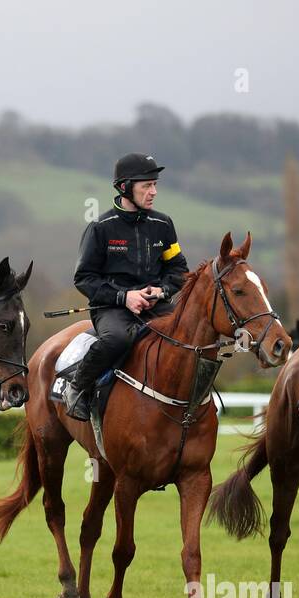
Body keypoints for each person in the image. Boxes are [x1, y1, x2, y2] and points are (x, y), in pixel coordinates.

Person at [61, 152, 189, 421]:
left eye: (155, 184)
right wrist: (124, 297)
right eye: (147, 186)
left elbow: (178, 269)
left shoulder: (164, 225)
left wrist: (162, 291)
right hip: (111, 308)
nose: (153, 191)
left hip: (156, 304)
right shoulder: (100, 227)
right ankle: (76, 388)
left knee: (187, 336)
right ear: (124, 187)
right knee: (118, 338)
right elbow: (84, 277)